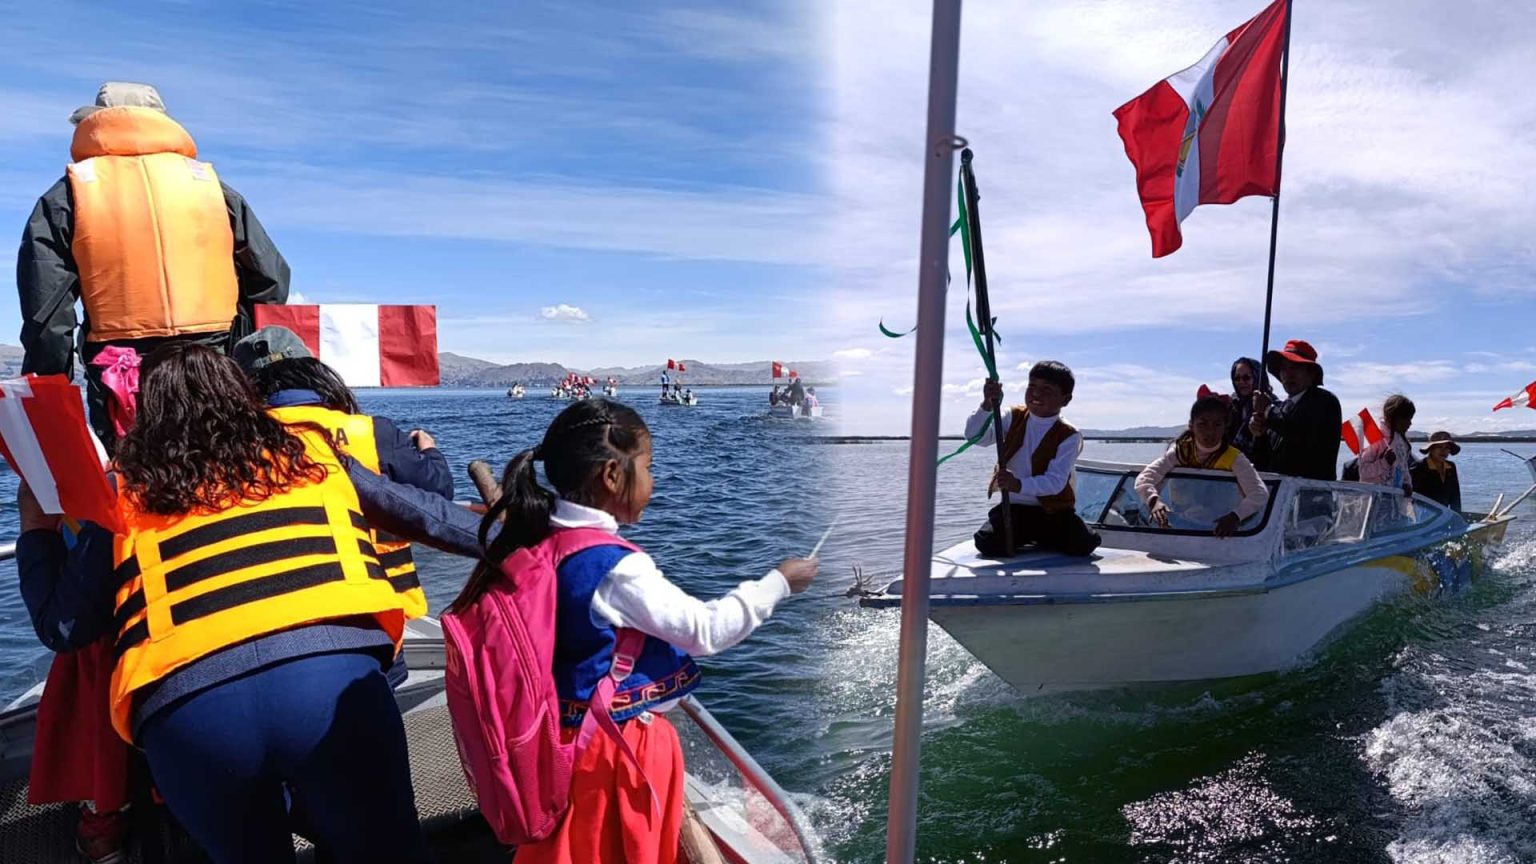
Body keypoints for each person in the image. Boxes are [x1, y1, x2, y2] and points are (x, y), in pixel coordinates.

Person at [340, 398, 817, 864]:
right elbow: (705, 630)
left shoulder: (538, 538)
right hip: (618, 754)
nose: (654, 481)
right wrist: (778, 583)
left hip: (561, 744)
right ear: (612, 476)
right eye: (648, 468)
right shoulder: (616, 567)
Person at [15, 343, 428, 864]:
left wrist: (35, 532)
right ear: (246, 397)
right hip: (328, 678)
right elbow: (425, 511)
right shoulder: (309, 452)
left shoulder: (120, 491)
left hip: (189, 710)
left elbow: (65, 626)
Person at [17, 82, 289, 452]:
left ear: (94, 123)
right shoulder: (214, 188)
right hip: (214, 364)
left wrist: (48, 397)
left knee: (137, 480)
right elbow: (270, 282)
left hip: (122, 372)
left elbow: (46, 315)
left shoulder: (66, 195)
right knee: (225, 465)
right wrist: (235, 352)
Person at [234, 325, 453, 678]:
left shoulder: (231, 445)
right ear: (313, 371)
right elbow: (438, 497)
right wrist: (430, 451)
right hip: (379, 612)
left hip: (270, 623)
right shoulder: (371, 432)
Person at [965, 361, 1101, 557]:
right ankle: (1038, 538)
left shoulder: (1069, 435)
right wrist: (987, 403)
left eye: (1046, 389)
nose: (1036, 394)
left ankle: (1044, 536)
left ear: (1065, 399)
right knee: (986, 542)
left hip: (1053, 511)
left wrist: (1017, 484)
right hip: (1013, 509)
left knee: (1085, 544)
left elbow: (1054, 482)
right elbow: (975, 436)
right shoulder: (1012, 416)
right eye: (1032, 386)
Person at [1135, 389, 1270, 537]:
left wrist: (1235, 517)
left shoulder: (1235, 458)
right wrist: (1154, 502)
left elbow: (1259, 494)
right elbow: (1144, 479)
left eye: (1217, 425)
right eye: (1202, 424)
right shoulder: (1180, 452)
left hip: (1220, 529)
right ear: (1192, 426)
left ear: (1226, 427)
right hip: (1178, 526)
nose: (1210, 431)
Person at [1249, 340, 1343, 481]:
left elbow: (1301, 433)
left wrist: (1268, 410)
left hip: (1313, 496)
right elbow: (1263, 461)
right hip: (1280, 496)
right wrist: (1259, 434)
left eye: (1295, 368)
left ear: (1311, 374)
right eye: (1284, 368)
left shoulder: (1325, 402)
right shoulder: (1280, 409)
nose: (1288, 374)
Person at [1358, 394, 1415, 496]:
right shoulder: (1375, 438)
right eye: (1406, 418)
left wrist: (1407, 483)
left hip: (1395, 501)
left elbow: (1403, 467)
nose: (1410, 423)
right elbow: (1364, 471)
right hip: (1374, 500)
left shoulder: (1401, 441)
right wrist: (1384, 462)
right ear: (1393, 417)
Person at [1411, 431, 1462, 512]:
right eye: (1439, 447)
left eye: (1447, 447)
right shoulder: (1419, 466)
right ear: (1431, 449)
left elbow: (1455, 495)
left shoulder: (1451, 466)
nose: (1443, 451)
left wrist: (1457, 517)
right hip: (1423, 515)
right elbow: (1414, 496)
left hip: (1443, 514)